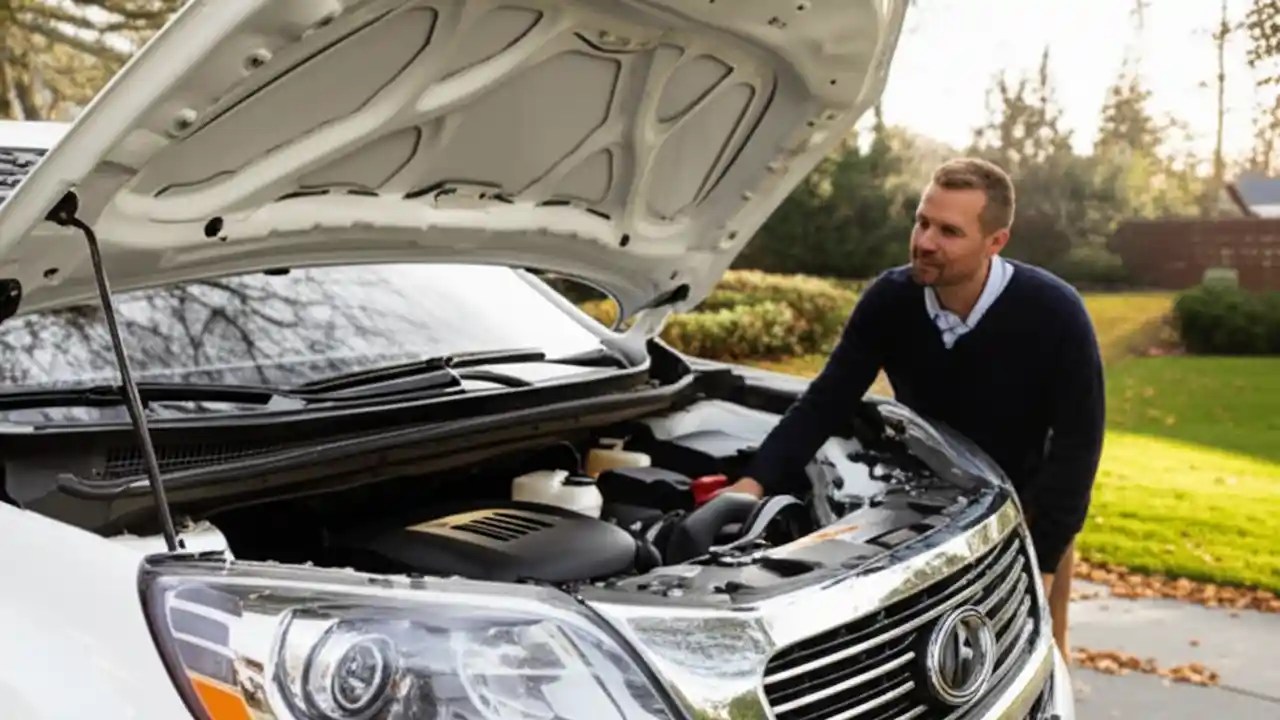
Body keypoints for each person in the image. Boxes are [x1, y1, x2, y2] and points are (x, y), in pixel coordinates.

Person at [724, 157, 1104, 653]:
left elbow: (1078, 447)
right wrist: (753, 483)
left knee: (1037, 655)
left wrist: (1046, 561)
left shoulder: (1056, 312)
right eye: (922, 222)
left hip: (1029, 516)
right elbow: (826, 401)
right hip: (931, 509)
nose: (925, 242)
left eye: (949, 231)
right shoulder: (890, 300)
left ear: (995, 242)